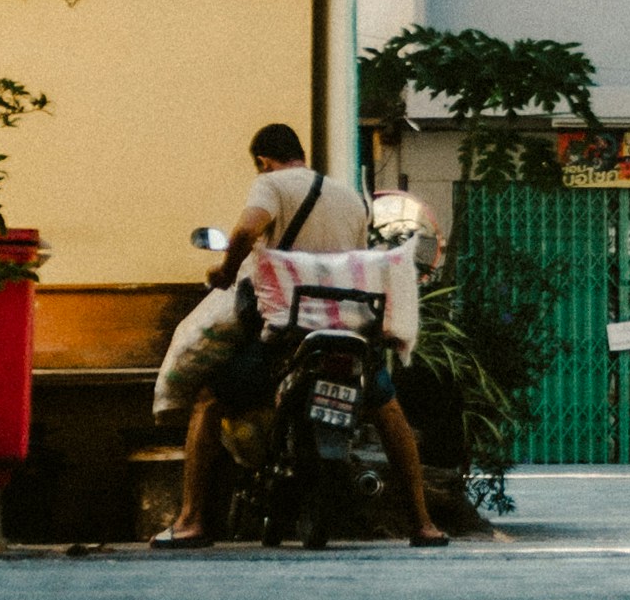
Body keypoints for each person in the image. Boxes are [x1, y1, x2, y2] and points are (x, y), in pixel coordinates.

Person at [155, 123, 445, 547]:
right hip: (348, 334)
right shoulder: (350, 199)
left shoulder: (270, 184)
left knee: (209, 398)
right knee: (387, 408)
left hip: (288, 338)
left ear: (263, 161)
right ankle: (422, 522)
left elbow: (246, 231)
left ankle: (191, 519)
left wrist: (226, 270)